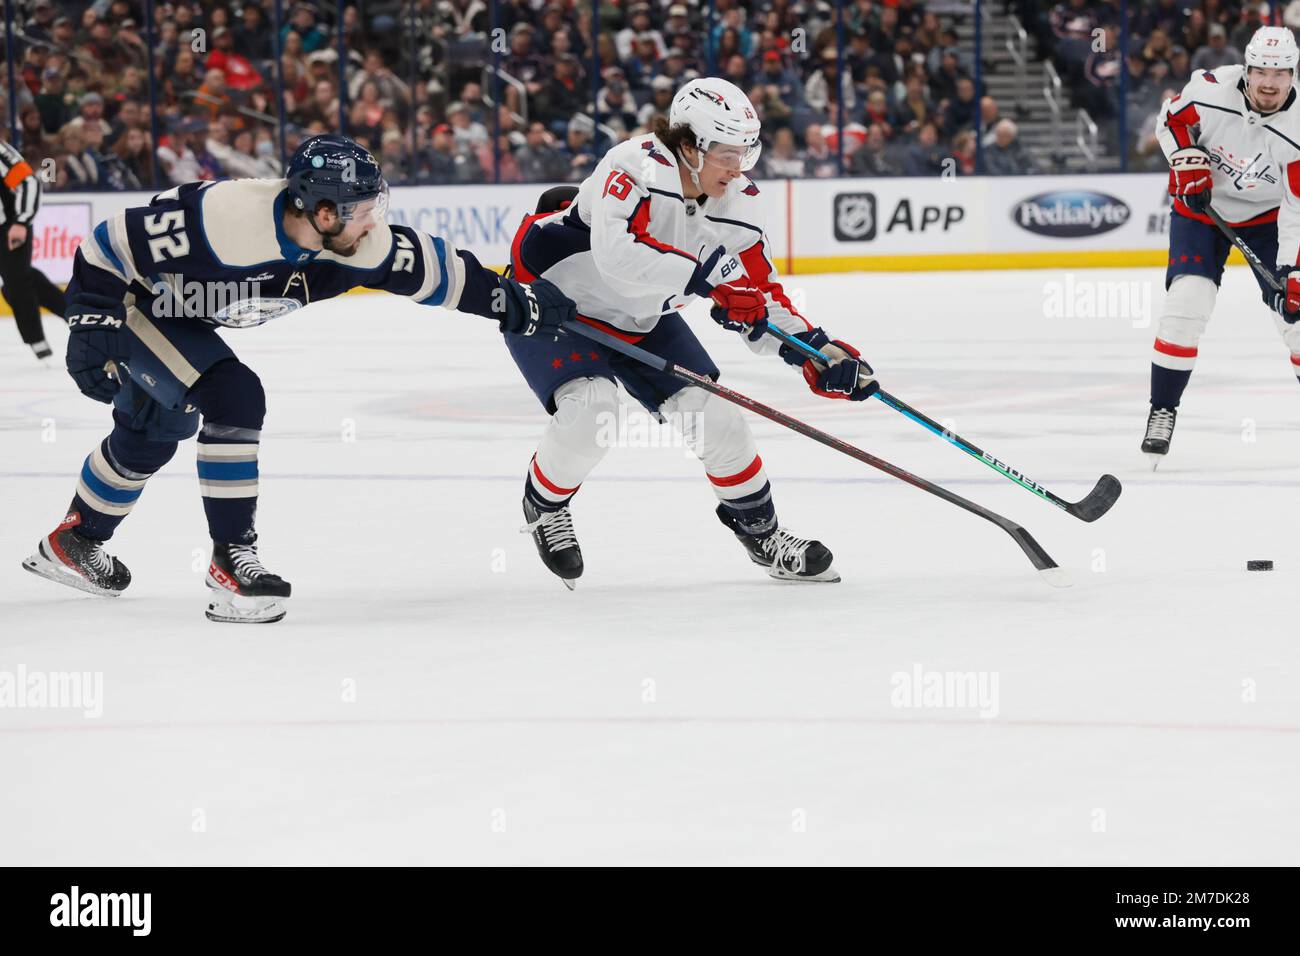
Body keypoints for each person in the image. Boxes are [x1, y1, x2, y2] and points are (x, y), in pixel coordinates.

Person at [21, 134, 575, 623]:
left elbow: (435, 271)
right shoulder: (227, 220)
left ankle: (76, 538)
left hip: (181, 313)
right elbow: (107, 243)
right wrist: (93, 320)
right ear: (325, 211)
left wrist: (511, 302)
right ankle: (231, 560)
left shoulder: (355, 244)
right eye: (362, 208)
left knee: (157, 424)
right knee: (232, 396)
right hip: (135, 298)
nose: (373, 221)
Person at [503, 79, 879, 588]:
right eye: (726, 153)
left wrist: (815, 351)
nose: (738, 166)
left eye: (747, 151)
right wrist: (705, 274)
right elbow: (617, 257)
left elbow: (759, 297)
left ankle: (762, 535)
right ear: (688, 146)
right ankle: (544, 504)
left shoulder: (739, 204)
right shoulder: (631, 166)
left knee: (718, 418)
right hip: (552, 303)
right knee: (593, 411)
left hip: (640, 316)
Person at [1144, 26, 1300, 465]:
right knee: (1185, 306)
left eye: (1280, 72)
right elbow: (1170, 120)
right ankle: (1162, 409)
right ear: (1246, 69)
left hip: (1268, 220)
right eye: (1261, 71)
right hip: (1203, 209)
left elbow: (1297, 209)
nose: (1269, 82)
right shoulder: (1210, 90)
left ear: (1293, 74)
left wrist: (1293, 271)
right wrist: (1182, 157)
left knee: (1297, 322)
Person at [0, 139, 67, 362]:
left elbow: (29, 182)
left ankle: (38, 339)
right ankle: (73, 310)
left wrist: (20, 221)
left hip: (9, 226)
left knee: (17, 281)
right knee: (19, 280)